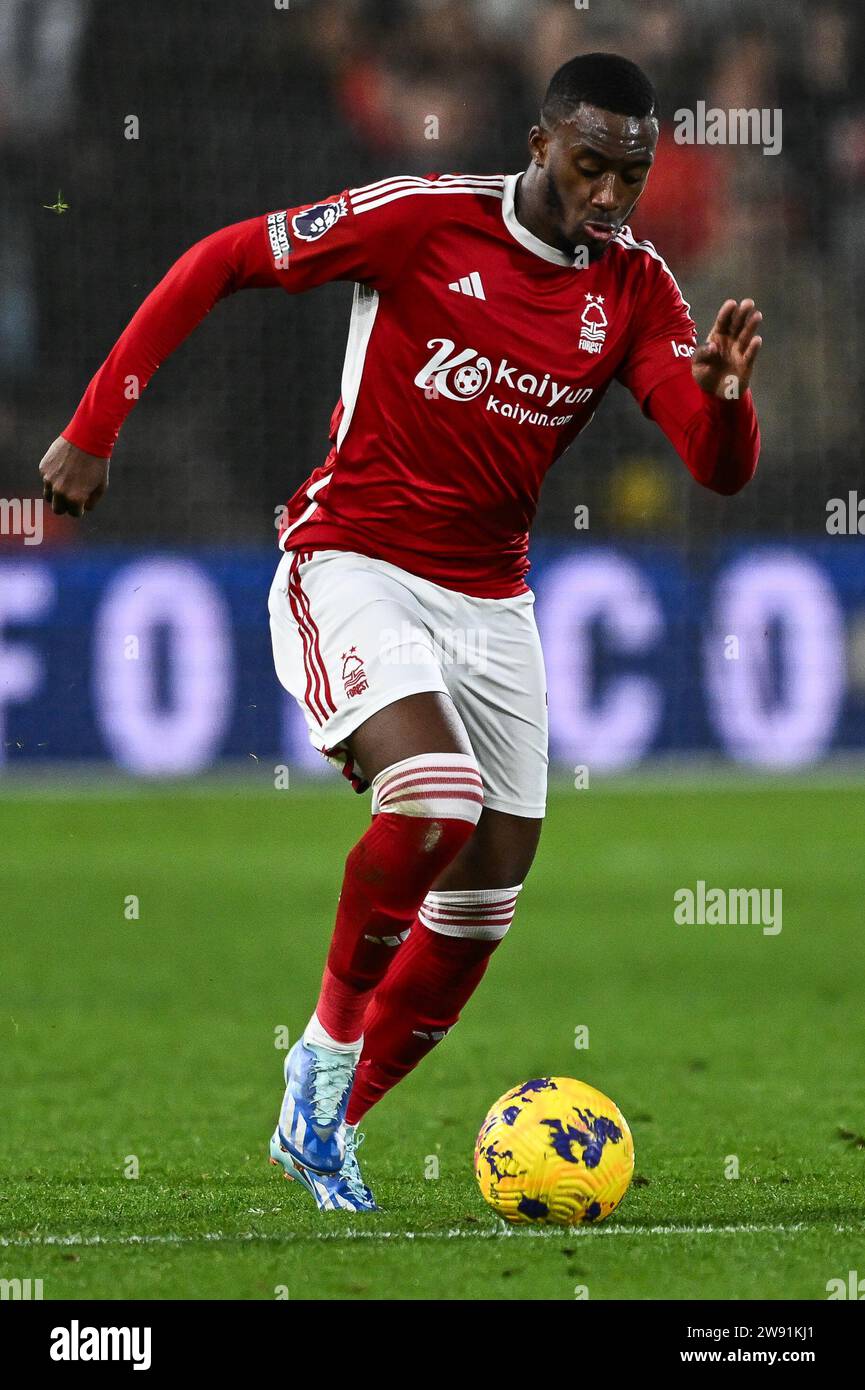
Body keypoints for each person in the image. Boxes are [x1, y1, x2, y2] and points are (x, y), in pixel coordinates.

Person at [38, 53, 761, 1212]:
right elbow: (219, 260)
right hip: (353, 563)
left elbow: (714, 469)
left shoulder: (635, 289)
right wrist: (94, 426)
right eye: (591, 167)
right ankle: (320, 1050)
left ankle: (327, 1123)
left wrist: (723, 398)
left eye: (632, 175)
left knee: (486, 896)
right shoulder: (418, 220)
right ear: (540, 146)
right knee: (432, 798)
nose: (611, 198)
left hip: (492, 600)